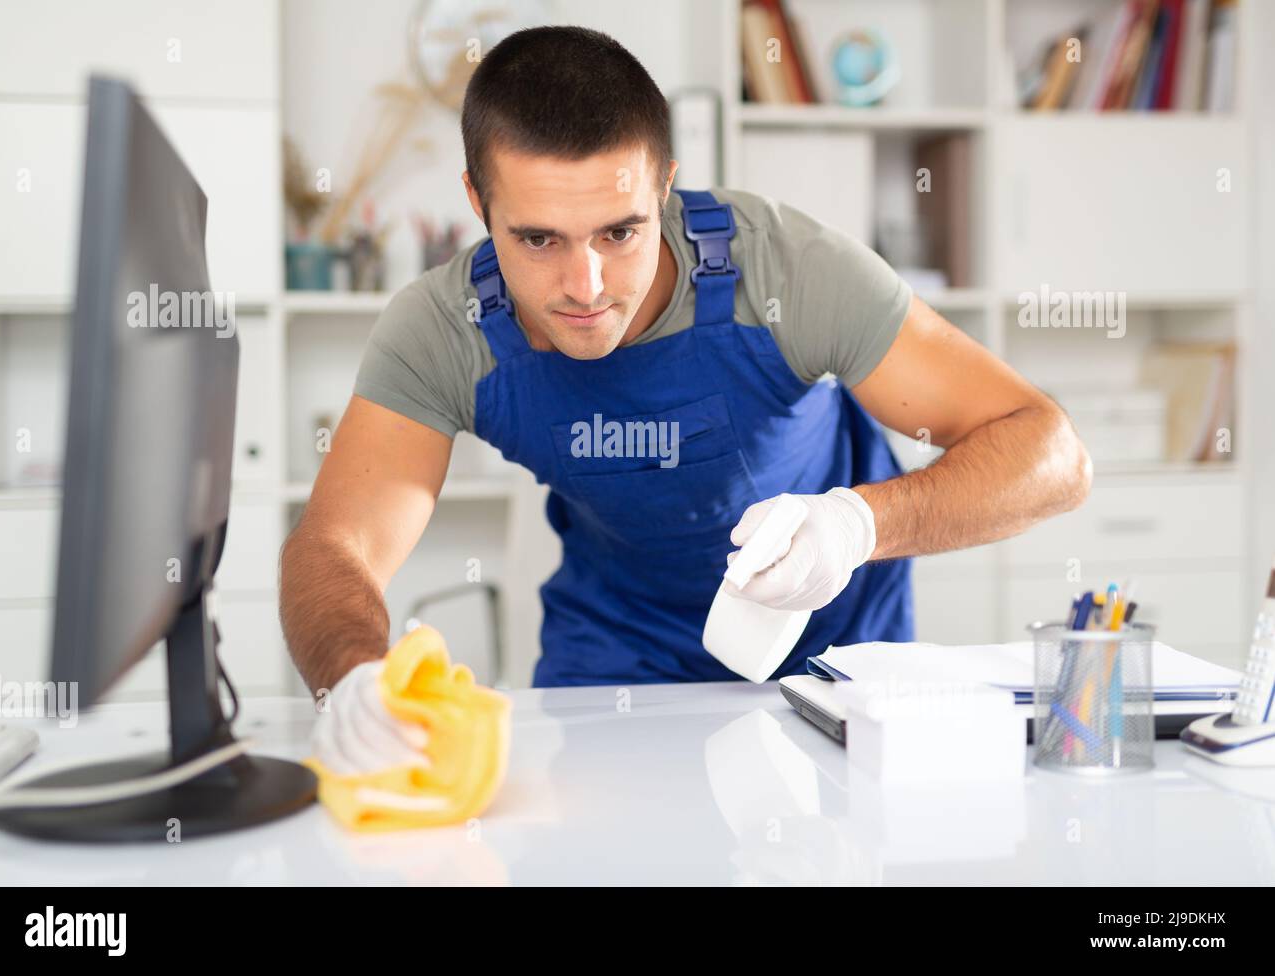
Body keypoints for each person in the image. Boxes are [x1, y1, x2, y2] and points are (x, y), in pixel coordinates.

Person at [284, 26, 1090, 770]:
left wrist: (857, 525)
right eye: (538, 239)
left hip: (831, 651)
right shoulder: (443, 330)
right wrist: (354, 680)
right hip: (617, 652)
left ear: (665, 186)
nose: (585, 287)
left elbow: (1049, 451)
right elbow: (333, 547)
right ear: (476, 201)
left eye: (619, 231)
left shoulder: (786, 272)